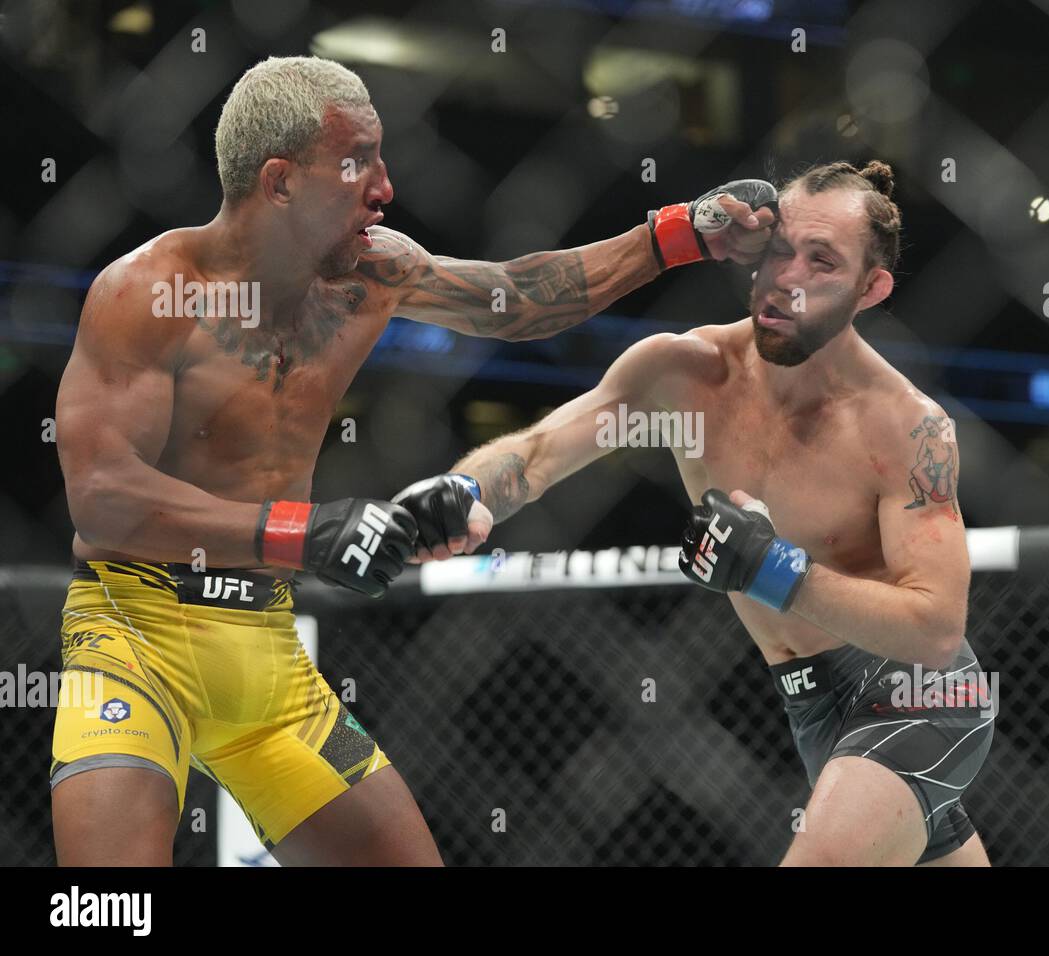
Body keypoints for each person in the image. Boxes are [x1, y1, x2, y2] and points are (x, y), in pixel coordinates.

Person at [51, 54, 774, 866]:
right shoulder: (150, 292)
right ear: (281, 181)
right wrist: (307, 532)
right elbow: (103, 498)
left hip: (265, 650)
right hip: (136, 635)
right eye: (357, 162)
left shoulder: (370, 272)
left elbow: (518, 299)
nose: (386, 188)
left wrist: (675, 235)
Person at [400, 160, 995, 866]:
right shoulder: (683, 373)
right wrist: (463, 493)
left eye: (822, 263)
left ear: (872, 288)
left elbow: (933, 630)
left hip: (918, 691)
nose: (788, 279)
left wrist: (778, 573)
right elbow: (533, 457)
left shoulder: (904, 427)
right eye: (778, 251)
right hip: (807, 705)